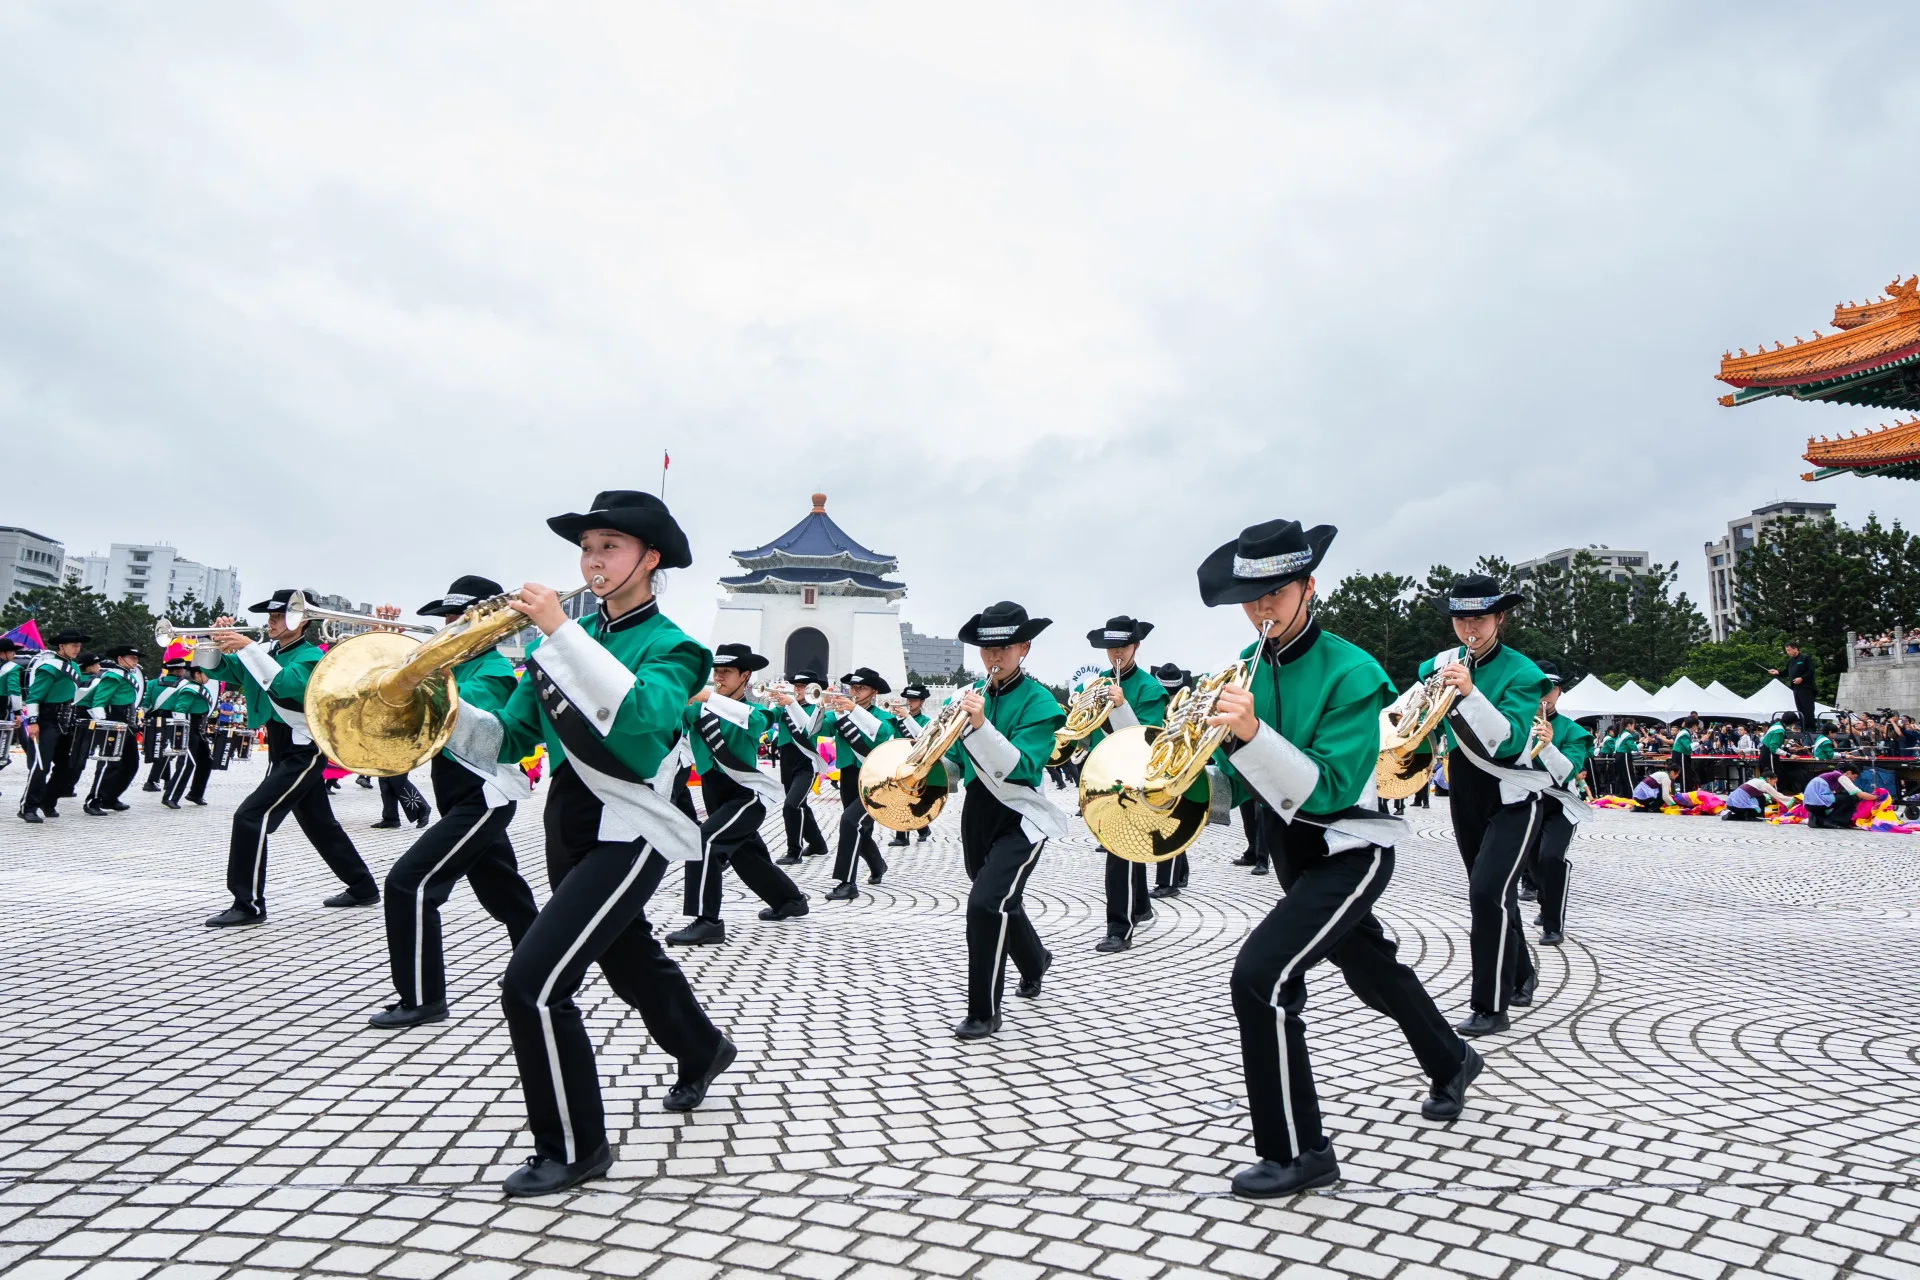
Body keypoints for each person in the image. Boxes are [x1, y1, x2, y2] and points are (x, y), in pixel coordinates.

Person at [440, 491, 736, 1196]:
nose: (593, 561)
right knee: (628, 958)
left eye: (609, 547)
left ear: (650, 559)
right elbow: (509, 738)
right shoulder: (558, 644)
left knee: (534, 984)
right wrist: (435, 711)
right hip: (568, 820)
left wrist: (557, 633)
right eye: (586, 548)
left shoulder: (675, 648)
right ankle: (702, 1048)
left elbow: (640, 717)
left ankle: (575, 1148)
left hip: (631, 825)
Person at [1195, 518, 1477, 1199]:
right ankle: (1452, 1059)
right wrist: (1191, 768)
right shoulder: (1246, 666)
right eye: (1250, 596)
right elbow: (1237, 783)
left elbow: (1330, 788)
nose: (1261, 608)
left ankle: (1300, 1152)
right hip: (1292, 852)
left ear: (1309, 586)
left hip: (1350, 850)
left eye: (1275, 592)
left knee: (1261, 977)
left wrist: (1249, 732)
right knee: (1373, 973)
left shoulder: (1354, 672)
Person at [364, 578, 542, 1029]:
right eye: (446, 617)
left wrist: (413, 670)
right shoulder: (448, 665)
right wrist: (387, 652)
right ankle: (542, 970)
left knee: (409, 884)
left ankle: (423, 998)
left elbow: (468, 723)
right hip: (459, 795)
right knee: (505, 893)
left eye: (458, 617)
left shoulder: (493, 670)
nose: (449, 625)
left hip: (484, 796)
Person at [1393, 573, 1552, 1038]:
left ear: (1499, 618)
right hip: (1464, 789)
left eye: (1480, 619)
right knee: (1493, 894)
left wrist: (1469, 693)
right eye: (1461, 619)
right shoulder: (1438, 664)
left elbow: (1509, 742)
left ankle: (1490, 1006)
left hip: (1512, 795)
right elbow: (1410, 712)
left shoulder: (1523, 673)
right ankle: (1521, 973)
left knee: (1485, 893)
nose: (1470, 628)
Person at [197, 589, 380, 926]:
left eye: (280, 615)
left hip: (303, 750)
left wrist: (247, 647)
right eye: (270, 616)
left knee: (250, 817)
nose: (271, 621)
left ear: (302, 621)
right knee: (320, 825)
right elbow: (216, 669)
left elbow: (283, 684)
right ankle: (363, 887)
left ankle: (249, 905)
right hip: (281, 749)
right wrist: (211, 640)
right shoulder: (265, 652)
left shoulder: (311, 657)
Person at [943, 601, 1067, 1040]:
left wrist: (978, 725)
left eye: (1005, 647)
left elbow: (1022, 766)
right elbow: (953, 760)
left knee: (985, 904)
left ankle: (984, 1012)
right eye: (987, 649)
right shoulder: (967, 696)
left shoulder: (1040, 702)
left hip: (1021, 816)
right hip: (977, 812)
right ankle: (1035, 961)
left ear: (1024, 648)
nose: (994, 656)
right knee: (1000, 898)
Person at [665, 643, 809, 945]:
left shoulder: (756, 711)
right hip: (714, 793)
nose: (718, 677)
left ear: (745, 676)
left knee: (704, 843)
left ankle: (708, 922)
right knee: (748, 858)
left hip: (746, 796)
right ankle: (790, 900)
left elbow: (753, 722)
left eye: (726, 671)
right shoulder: (697, 709)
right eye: (716, 671)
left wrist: (708, 696)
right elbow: (669, 720)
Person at [1083, 615, 1170, 953]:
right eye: (1111, 648)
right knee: (1124, 848)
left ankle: (1119, 928)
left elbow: (1146, 740)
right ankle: (1142, 906)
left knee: (1119, 849)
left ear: (1136, 645)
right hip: (1105, 773)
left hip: (1135, 777)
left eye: (1122, 646)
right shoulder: (1098, 684)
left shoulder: (1151, 689)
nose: (1116, 653)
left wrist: (1121, 706)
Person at [1522, 662, 1587, 948]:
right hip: (1525, 803)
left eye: (1552, 689)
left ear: (1560, 692)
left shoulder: (1573, 731)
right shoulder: (1516, 723)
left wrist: (1548, 746)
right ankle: (1545, 902)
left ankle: (1553, 924)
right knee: (1532, 864)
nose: (1545, 696)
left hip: (1559, 804)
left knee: (1550, 858)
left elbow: (1568, 772)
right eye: (1540, 689)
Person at [819, 668, 896, 902]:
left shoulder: (883, 716)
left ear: (874, 692)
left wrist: (854, 710)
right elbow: (815, 730)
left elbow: (883, 734)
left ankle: (847, 883)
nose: (855, 691)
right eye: (853, 687)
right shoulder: (840, 714)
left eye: (861, 688)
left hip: (875, 779)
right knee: (858, 829)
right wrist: (821, 706)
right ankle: (878, 865)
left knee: (850, 822)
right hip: (848, 775)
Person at [17, 628, 87, 823]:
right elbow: (33, 697)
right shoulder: (49, 667)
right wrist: (33, 722)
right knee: (41, 766)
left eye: (79, 646)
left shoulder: (75, 667)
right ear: (61, 646)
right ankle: (28, 807)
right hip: (47, 721)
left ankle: (48, 801)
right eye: (73, 645)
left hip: (67, 721)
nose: (77, 649)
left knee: (67, 767)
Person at [769, 669, 831, 866]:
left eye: (803, 686)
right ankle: (818, 844)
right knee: (800, 804)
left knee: (791, 805)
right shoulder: (784, 707)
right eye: (796, 686)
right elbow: (767, 718)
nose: (798, 689)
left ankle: (794, 851)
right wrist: (772, 699)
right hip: (786, 761)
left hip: (806, 763)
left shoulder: (816, 709)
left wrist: (791, 703)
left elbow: (808, 729)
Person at [81, 646, 146, 815]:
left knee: (131, 764)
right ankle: (93, 801)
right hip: (114, 722)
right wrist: (104, 724)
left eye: (136, 658)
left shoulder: (127, 675)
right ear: (120, 659)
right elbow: (98, 701)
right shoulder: (113, 676)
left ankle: (110, 797)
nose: (135, 661)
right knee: (108, 764)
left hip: (128, 725)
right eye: (132, 657)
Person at [885, 684, 936, 847]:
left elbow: (923, 738)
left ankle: (913, 832)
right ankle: (913, 832)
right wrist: (890, 715)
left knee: (911, 798)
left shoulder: (927, 721)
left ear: (921, 702)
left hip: (916, 765)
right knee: (900, 798)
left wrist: (907, 717)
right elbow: (885, 731)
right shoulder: (897, 719)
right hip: (899, 761)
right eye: (908, 699)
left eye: (914, 700)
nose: (909, 702)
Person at [161, 666, 217, 809]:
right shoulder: (190, 689)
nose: (208, 676)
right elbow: (180, 709)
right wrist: (181, 733)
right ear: (197, 674)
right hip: (189, 729)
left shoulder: (200, 688)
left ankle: (195, 794)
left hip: (199, 730)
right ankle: (170, 797)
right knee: (187, 764)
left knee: (206, 761)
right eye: (206, 673)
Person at [140, 658, 186, 792]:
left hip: (154, 720)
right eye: (182, 669)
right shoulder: (184, 685)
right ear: (178, 670)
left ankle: (167, 781)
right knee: (167, 750)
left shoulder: (153, 683)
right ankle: (151, 781)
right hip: (173, 720)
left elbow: (146, 704)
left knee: (161, 749)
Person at [1768, 643, 1818, 731]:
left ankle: (1811, 728)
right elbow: (1786, 673)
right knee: (1800, 709)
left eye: (1789, 650)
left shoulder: (1805, 658)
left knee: (1808, 708)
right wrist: (1777, 672)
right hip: (1796, 688)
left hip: (1806, 687)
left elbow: (1811, 671)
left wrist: (1802, 678)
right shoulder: (1790, 661)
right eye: (1786, 650)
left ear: (1795, 649)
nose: (1788, 652)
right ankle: (1804, 728)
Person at [1803, 767, 1868, 829]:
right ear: (1849, 772)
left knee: (1841, 798)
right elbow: (1858, 793)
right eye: (1854, 777)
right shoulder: (1840, 776)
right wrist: (1874, 796)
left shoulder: (1830, 776)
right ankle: (1834, 821)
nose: (1854, 780)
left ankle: (1817, 820)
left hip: (1809, 804)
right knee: (1852, 797)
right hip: (1817, 802)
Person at [1723, 773, 1791, 821]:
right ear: (1768, 779)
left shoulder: (1755, 780)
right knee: (1758, 803)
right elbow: (1778, 796)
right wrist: (1793, 799)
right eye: (1774, 782)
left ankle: (1731, 816)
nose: (1774, 785)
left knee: (1742, 817)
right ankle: (1751, 817)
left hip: (1731, 803)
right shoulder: (1764, 784)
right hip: (1740, 803)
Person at [1669, 716, 1698, 794]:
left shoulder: (1686, 732)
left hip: (1683, 754)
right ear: (1694, 725)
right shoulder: (1684, 733)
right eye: (1696, 725)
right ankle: (1685, 794)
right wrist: (1701, 741)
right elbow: (1689, 747)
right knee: (1684, 776)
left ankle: (1686, 793)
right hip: (1681, 755)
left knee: (1687, 775)